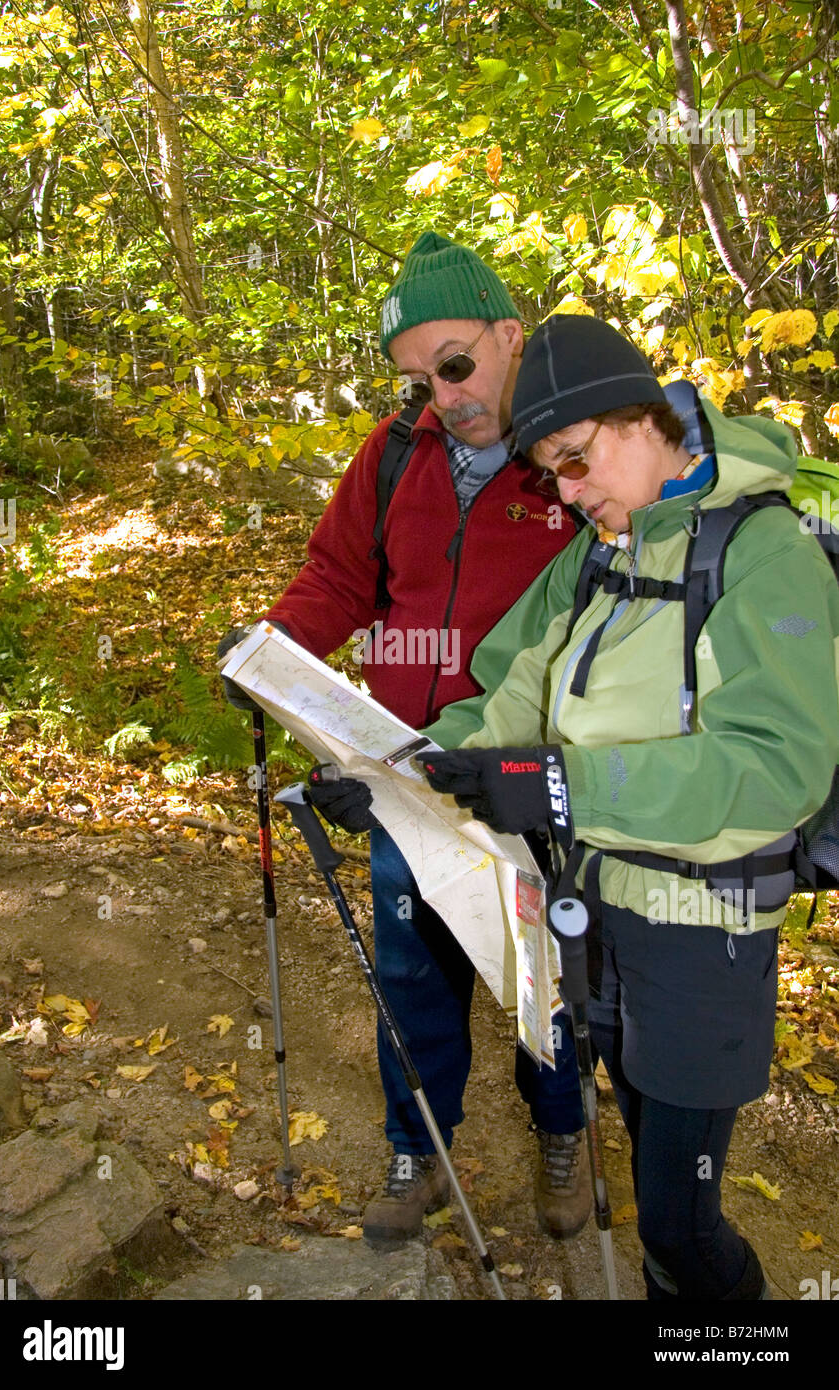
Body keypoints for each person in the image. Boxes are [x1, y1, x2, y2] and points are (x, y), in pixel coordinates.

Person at [417, 313, 839, 1299]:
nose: (566, 494)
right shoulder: (596, 553)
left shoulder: (764, 551)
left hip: (704, 935)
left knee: (680, 1222)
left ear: (644, 417)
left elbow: (775, 765)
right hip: (597, 919)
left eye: (574, 461)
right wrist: (403, 770)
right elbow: (512, 691)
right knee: (653, 1171)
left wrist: (561, 786)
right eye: (550, 475)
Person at [219, 233, 590, 1247]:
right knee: (411, 969)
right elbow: (339, 576)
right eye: (415, 376)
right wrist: (271, 649)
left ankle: (564, 1134)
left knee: (540, 970)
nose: (440, 394)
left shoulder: (573, 454)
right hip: (400, 763)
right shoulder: (392, 454)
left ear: (509, 335)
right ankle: (417, 1148)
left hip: (529, 767)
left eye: (455, 364)